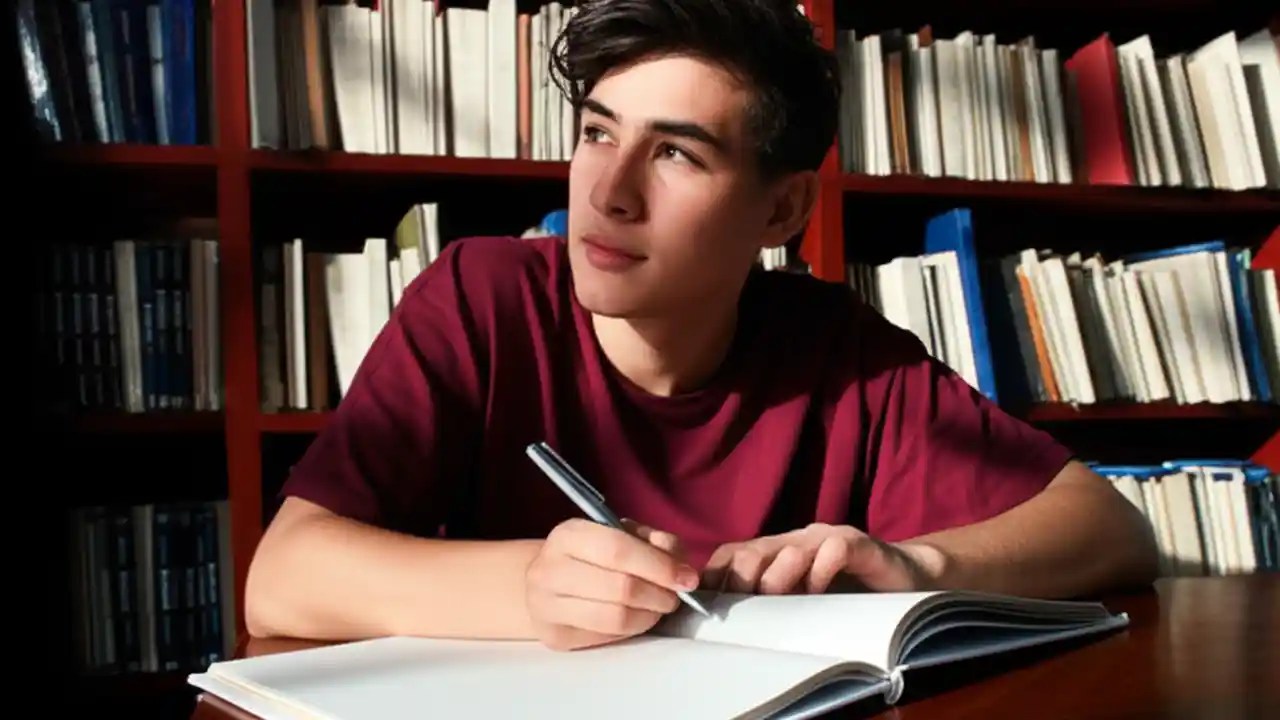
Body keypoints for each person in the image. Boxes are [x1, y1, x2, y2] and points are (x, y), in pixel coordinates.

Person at [243, 0, 1159, 652]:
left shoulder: (837, 351)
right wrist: (527, 586)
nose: (608, 192)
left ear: (782, 210)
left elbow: (1111, 528)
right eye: (599, 133)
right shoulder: (478, 299)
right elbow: (282, 578)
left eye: (675, 152)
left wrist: (917, 565)